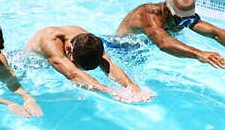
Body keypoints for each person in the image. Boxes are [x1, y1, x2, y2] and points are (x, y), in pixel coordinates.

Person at [115, 0, 225, 68]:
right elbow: (164, 43)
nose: (184, 24)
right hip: (122, 49)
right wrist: (198, 53)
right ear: (167, 11)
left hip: (144, 48)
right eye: (181, 20)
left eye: (189, 19)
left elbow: (214, 32)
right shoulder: (148, 16)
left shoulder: (181, 15)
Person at [25, 25, 153, 101]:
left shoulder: (88, 41)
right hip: (30, 63)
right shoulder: (49, 41)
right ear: (69, 50)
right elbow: (73, 74)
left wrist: (134, 88)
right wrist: (112, 92)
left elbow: (110, 66)